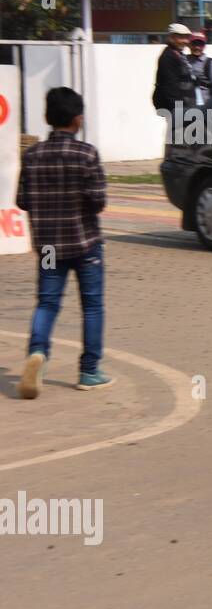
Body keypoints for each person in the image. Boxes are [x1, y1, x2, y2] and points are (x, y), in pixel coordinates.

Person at [16, 87, 112, 398]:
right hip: (85, 245)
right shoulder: (86, 154)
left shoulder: (31, 155)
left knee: (46, 302)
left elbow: (23, 201)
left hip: (47, 248)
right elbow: (98, 202)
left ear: (47, 117)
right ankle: (89, 370)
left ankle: (38, 352)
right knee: (92, 306)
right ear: (78, 119)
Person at [152, 22, 196, 113]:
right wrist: (181, 111)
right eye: (181, 37)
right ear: (171, 37)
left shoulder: (179, 55)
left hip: (186, 106)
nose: (185, 41)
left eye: (186, 37)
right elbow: (170, 88)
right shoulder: (168, 57)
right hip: (177, 108)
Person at [187, 32, 212, 105]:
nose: (197, 47)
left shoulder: (210, 63)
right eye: (194, 44)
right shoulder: (184, 60)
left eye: (200, 44)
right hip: (187, 103)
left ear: (204, 46)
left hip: (205, 104)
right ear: (189, 45)